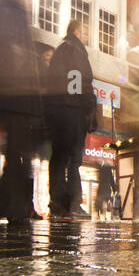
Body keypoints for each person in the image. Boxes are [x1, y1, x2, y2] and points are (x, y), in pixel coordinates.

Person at [0, 0, 44, 221]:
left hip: (4, 99)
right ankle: (17, 206)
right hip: (21, 101)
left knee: (14, 154)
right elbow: (28, 68)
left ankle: (8, 204)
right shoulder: (19, 23)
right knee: (19, 155)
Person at [45, 18, 95, 218]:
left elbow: (52, 83)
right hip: (75, 112)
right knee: (74, 160)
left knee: (58, 158)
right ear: (76, 31)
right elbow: (84, 83)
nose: (84, 35)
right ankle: (74, 204)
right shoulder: (78, 52)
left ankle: (57, 203)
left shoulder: (59, 51)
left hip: (59, 112)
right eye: (82, 32)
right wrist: (88, 109)